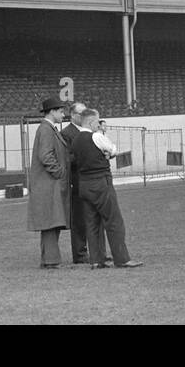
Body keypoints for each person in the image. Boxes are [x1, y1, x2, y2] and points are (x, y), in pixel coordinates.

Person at [71, 109, 142, 269]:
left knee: (92, 223)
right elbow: (113, 149)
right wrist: (108, 153)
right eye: (97, 122)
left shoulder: (75, 140)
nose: (100, 125)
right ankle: (122, 259)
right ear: (90, 122)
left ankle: (96, 260)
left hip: (84, 184)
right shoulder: (96, 136)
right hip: (100, 182)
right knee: (113, 220)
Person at [26, 97, 71, 268]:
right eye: (61, 111)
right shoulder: (46, 129)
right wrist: (59, 172)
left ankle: (48, 260)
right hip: (48, 184)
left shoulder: (47, 128)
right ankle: (51, 260)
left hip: (47, 183)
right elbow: (45, 156)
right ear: (52, 111)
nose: (63, 114)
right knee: (52, 222)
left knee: (50, 223)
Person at [58, 101, 91, 264]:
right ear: (73, 115)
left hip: (90, 179)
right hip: (77, 181)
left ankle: (94, 250)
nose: (84, 116)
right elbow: (67, 159)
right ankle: (79, 254)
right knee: (79, 219)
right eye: (81, 113)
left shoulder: (88, 130)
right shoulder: (66, 133)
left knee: (91, 217)